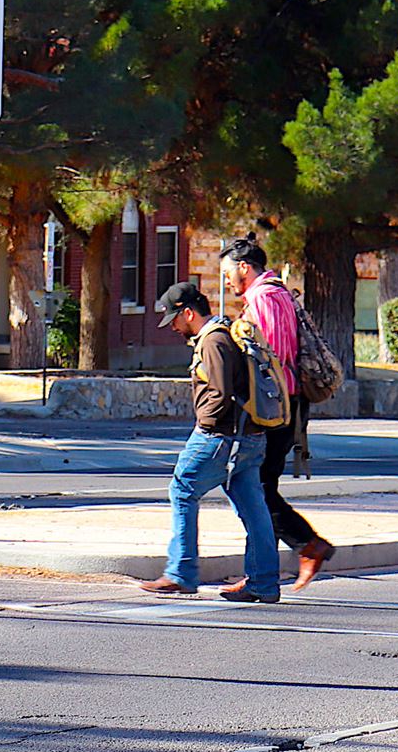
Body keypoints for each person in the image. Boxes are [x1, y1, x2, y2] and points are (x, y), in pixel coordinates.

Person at [139, 280, 281, 603]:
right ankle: (264, 582)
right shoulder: (225, 333)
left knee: (182, 489)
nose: (173, 327)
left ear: (188, 313)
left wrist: (205, 427)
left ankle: (181, 573)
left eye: (174, 319)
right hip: (249, 436)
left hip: (221, 436)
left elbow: (220, 392)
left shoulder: (213, 340)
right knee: (253, 506)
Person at [223, 235, 337, 592]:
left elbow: (268, 357)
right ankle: (261, 575)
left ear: (244, 267)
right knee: (258, 486)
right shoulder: (277, 293)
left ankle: (306, 546)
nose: (226, 281)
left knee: (252, 488)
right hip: (284, 402)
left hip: (274, 405)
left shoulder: (264, 297)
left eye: (227, 272)